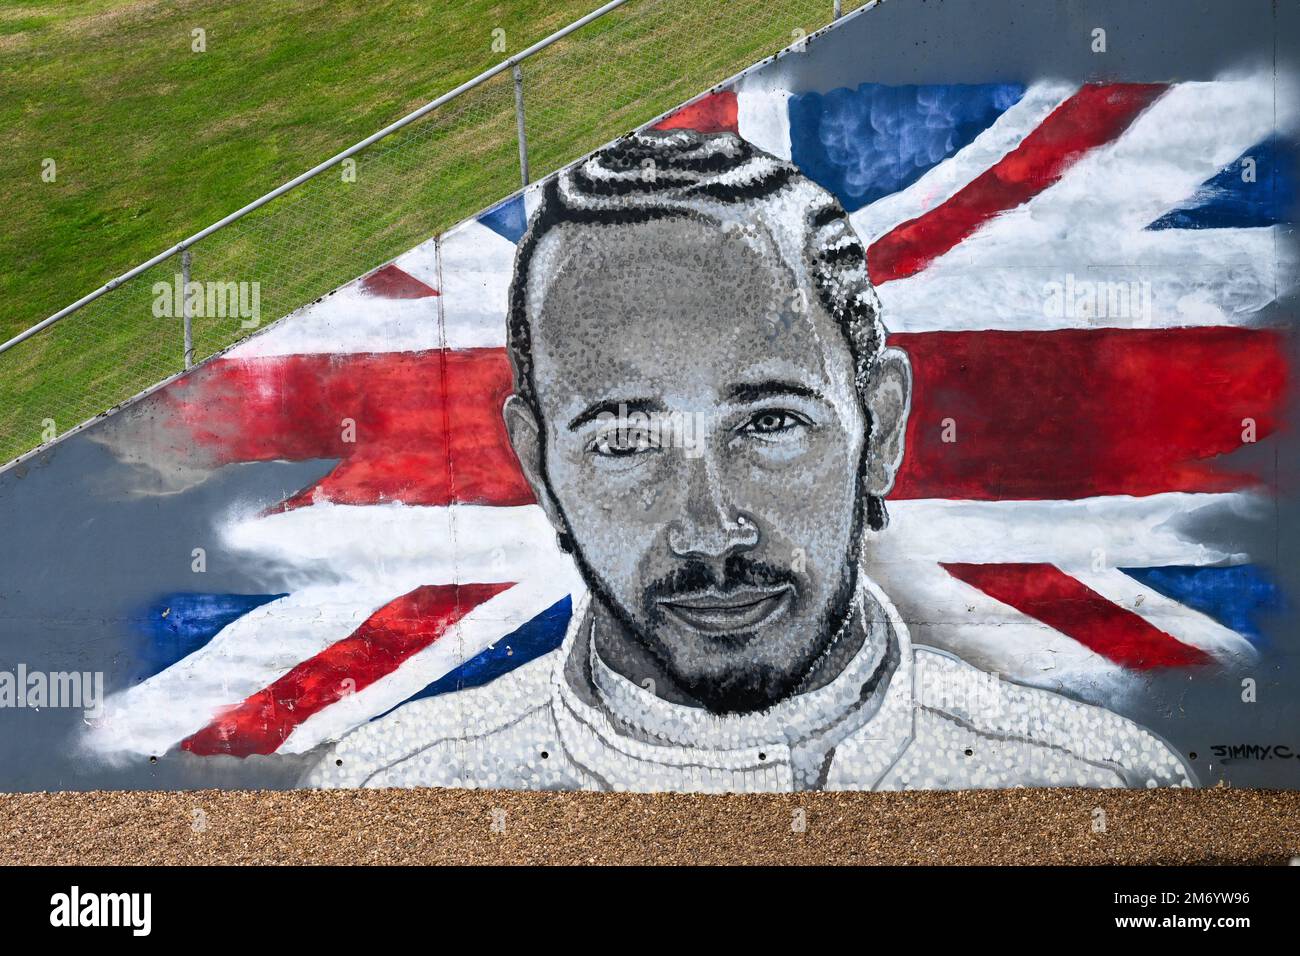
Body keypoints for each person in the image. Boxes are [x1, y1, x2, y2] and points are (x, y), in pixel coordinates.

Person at [304, 129, 1192, 792]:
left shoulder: (1094, 791)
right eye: (623, 437)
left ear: (880, 428)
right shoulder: (392, 802)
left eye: (768, 423)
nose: (710, 529)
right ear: (539, 469)